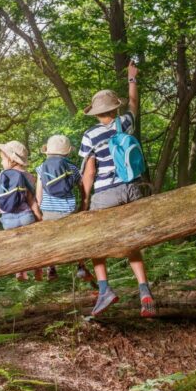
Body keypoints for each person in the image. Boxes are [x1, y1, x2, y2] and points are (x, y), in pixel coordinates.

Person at [79, 60, 156, 317]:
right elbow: (134, 104)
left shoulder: (90, 135)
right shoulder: (126, 122)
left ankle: (104, 290)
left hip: (105, 193)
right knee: (132, 239)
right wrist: (131, 79)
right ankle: (144, 290)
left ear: (97, 113)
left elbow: (89, 171)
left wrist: (85, 202)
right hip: (131, 189)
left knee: (94, 243)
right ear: (115, 107)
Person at [34, 135, 87, 282]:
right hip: (68, 210)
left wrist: (39, 211)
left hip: (48, 212)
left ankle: (51, 268)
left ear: (48, 152)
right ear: (67, 152)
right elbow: (82, 187)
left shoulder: (41, 168)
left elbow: (39, 195)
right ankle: (81, 267)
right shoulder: (72, 168)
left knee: (48, 240)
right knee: (76, 237)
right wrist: (83, 202)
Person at [0, 140, 43, 281]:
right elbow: (32, 200)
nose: (1, 163)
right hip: (26, 216)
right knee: (32, 244)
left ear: (11, 159)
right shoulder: (29, 176)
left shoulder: (2, 176)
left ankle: (20, 272)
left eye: (2, 159)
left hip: (8, 219)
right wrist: (38, 216)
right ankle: (38, 269)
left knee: (16, 246)